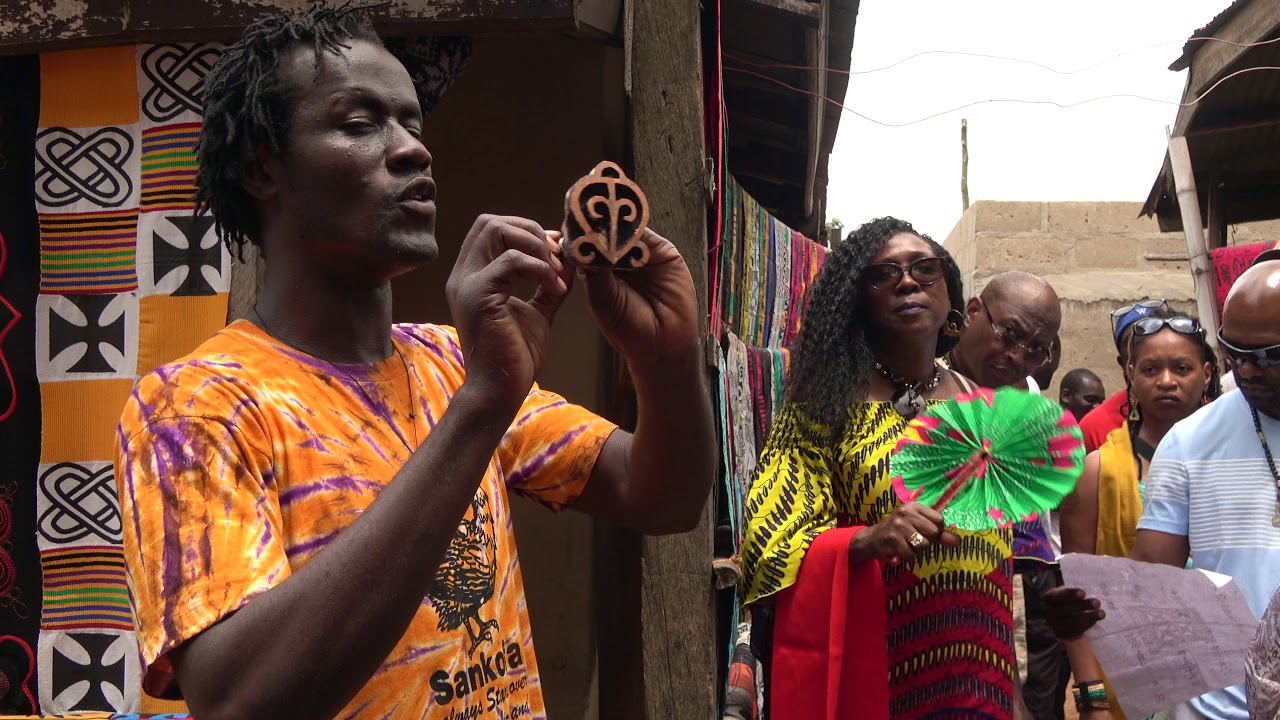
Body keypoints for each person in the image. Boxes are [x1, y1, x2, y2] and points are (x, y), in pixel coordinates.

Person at [112, 7, 715, 720]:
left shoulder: (449, 362)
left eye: (413, 124)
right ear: (260, 167)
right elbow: (239, 700)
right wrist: (483, 402)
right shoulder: (193, 408)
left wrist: (668, 359)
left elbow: (662, 497)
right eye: (359, 124)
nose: (412, 151)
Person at [741, 217, 1016, 719]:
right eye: (883, 274)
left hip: (980, 678)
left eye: (924, 268)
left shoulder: (987, 409)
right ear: (858, 302)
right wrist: (865, 541)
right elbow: (767, 542)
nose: (907, 281)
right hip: (880, 679)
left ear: (950, 294)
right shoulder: (824, 409)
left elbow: (1000, 565)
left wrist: (1013, 691)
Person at [1047, 253, 1280, 720]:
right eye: (1236, 354)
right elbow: (1152, 586)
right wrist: (1087, 619)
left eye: (1268, 357)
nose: (1249, 371)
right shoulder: (1190, 443)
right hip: (1219, 709)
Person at [1056, 314, 1219, 720]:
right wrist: (1092, 703)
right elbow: (1078, 599)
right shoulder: (1097, 471)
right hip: (1128, 689)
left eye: (1182, 368)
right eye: (1150, 369)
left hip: (1224, 689)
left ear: (1207, 374)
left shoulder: (1232, 465)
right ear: (1130, 374)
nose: (1166, 380)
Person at [945, 271, 1069, 720]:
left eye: (1036, 349)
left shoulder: (1022, 398)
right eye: (1008, 334)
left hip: (1012, 596)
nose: (1017, 356)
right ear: (974, 311)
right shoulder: (922, 388)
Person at [1079, 300, 1172, 453]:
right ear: (1124, 364)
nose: (1144, 350)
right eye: (1132, 343)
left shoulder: (1200, 415)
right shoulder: (1094, 426)